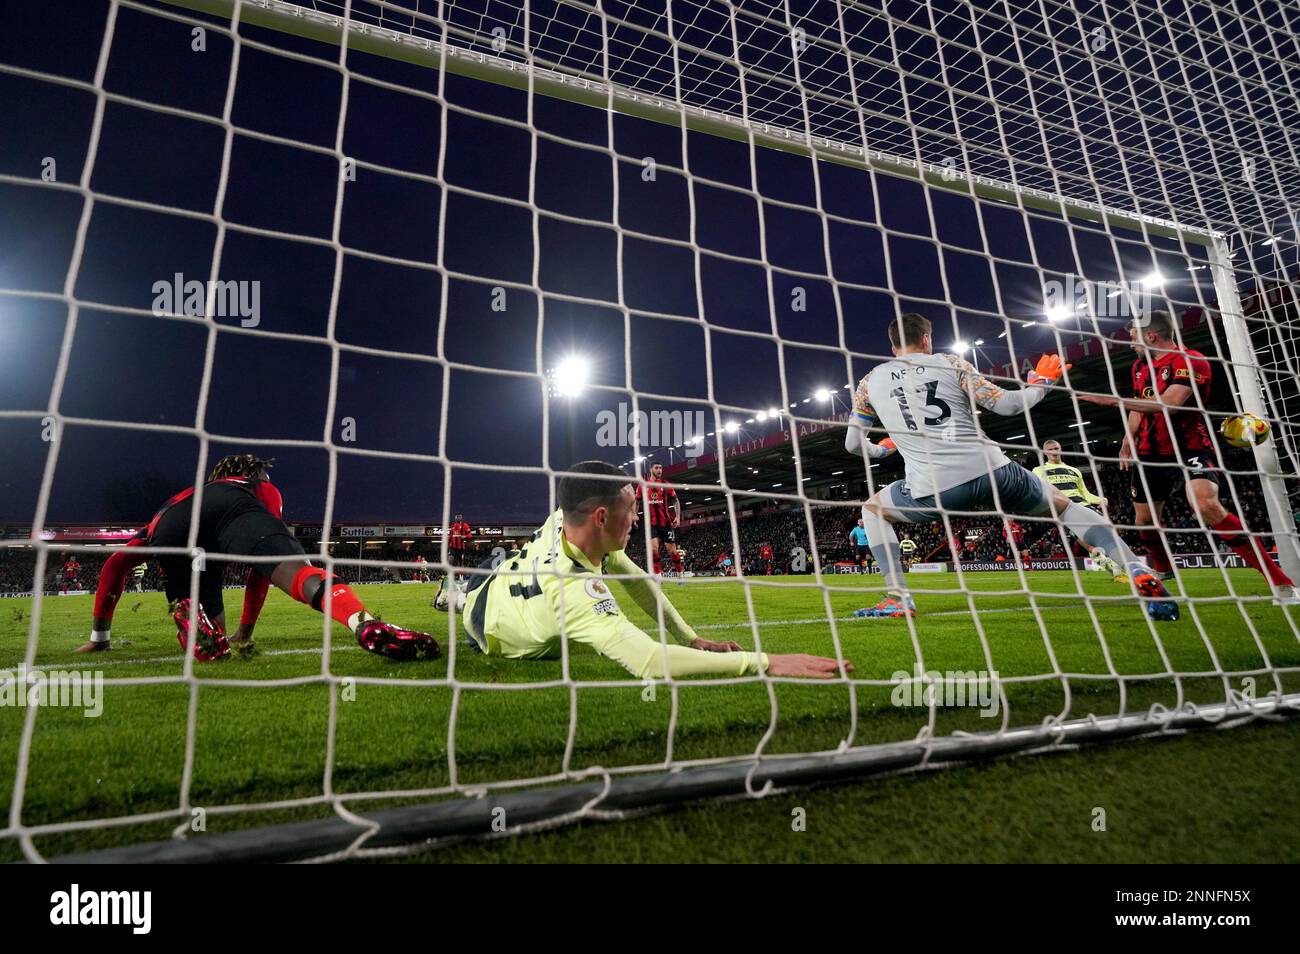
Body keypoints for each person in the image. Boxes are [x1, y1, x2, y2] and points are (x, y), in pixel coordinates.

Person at [845, 312, 1176, 620]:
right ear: (928, 339)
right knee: (1064, 508)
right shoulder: (948, 362)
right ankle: (1134, 567)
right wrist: (1040, 385)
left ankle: (898, 597)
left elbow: (853, 445)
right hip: (995, 471)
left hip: (933, 489)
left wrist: (882, 451)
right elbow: (1006, 405)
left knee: (873, 509)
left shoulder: (869, 383)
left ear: (892, 347)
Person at [436, 461, 849, 679]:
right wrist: (763, 662)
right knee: (473, 591)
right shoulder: (577, 593)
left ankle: (455, 592)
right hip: (485, 626)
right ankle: (452, 597)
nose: (637, 517)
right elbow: (650, 660)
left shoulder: (568, 519)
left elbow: (637, 582)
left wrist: (691, 638)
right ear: (600, 517)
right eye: (631, 509)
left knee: (489, 567)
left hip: (503, 575)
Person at [76, 455, 438, 661]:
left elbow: (115, 563)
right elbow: (260, 571)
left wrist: (100, 636)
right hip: (230, 512)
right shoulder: (257, 488)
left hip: (171, 524)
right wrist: (246, 630)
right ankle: (362, 622)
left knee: (210, 632)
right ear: (251, 474)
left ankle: (194, 622)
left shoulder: (180, 497)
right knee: (300, 573)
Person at [1080, 310, 1294, 602]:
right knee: (1144, 521)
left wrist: (1110, 400)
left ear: (1150, 336)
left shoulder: (1190, 360)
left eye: (1133, 337)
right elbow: (1139, 406)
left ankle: (1282, 583)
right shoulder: (1139, 367)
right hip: (1147, 455)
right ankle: (1164, 568)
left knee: (1205, 504)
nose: (1131, 344)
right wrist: (1128, 441)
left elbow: (1170, 403)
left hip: (1188, 448)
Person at [1032, 439, 1122, 576]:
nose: (1054, 452)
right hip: (1064, 509)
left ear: (1060, 449)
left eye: (1056, 448)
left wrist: (1100, 499)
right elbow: (1038, 491)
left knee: (1110, 532)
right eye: (1050, 450)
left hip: (1083, 505)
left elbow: (1084, 493)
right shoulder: (1038, 471)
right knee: (1087, 544)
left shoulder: (1074, 471)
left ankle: (1120, 565)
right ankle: (1115, 572)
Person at [641, 461, 682, 576]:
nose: (659, 470)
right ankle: (658, 574)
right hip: (651, 524)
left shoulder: (665, 484)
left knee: (672, 551)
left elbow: (676, 500)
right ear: (651, 469)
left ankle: (680, 572)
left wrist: (677, 517)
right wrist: (634, 515)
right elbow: (637, 502)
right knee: (654, 549)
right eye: (657, 468)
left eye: (661, 468)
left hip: (666, 523)